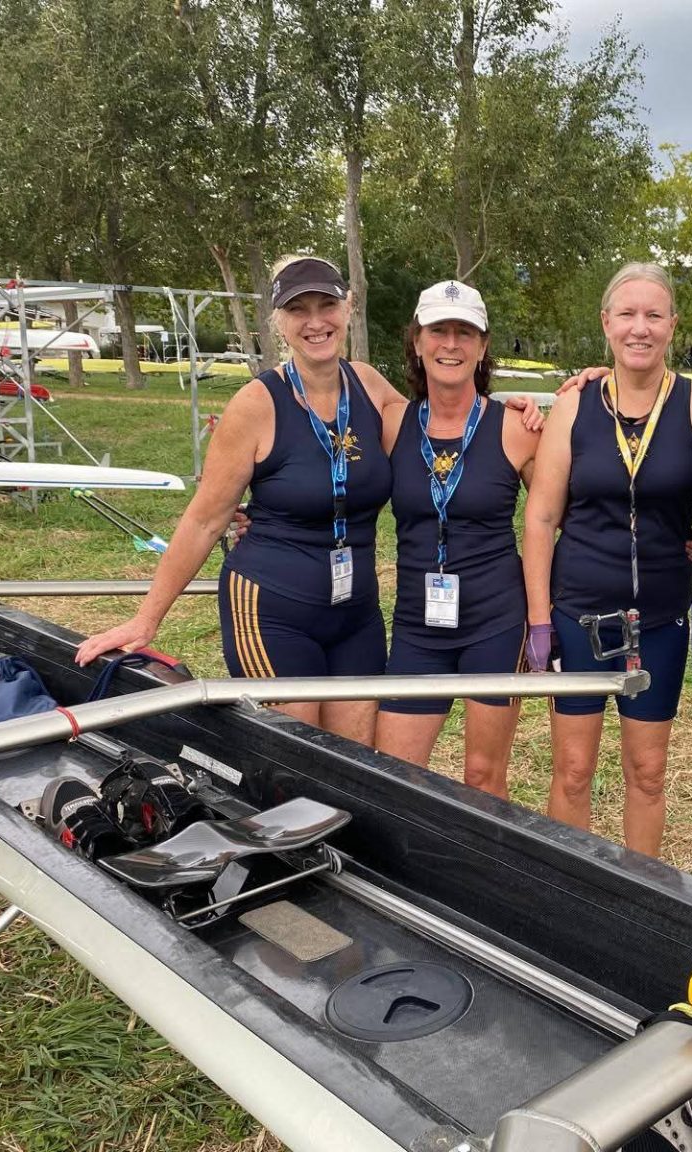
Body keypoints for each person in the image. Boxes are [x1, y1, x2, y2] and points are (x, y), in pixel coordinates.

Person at [74, 255, 404, 744]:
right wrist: (146, 620)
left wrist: (511, 409)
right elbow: (205, 520)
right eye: (298, 310)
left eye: (327, 305)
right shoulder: (255, 405)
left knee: (357, 761)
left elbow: (443, 430)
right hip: (271, 609)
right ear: (278, 322)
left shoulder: (369, 385)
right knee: (299, 757)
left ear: (349, 307)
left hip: (357, 611)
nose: (315, 322)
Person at [522, 263, 692, 856]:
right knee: (573, 770)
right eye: (628, 315)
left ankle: (638, 892)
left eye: (654, 315)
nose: (641, 328)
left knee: (648, 772)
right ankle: (571, 891)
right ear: (606, 323)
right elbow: (540, 518)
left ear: (673, 325)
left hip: (660, 619)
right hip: (579, 615)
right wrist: (539, 619)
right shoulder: (575, 405)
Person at [376, 281, 541, 798]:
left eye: (465, 332)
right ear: (417, 341)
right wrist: (256, 513)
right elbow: (337, 483)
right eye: (439, 330)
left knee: (483, 777)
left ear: (483, 345)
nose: (451, 344)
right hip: (417, 626)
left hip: (495, 622)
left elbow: (566, 512)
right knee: (394, 774)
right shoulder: (391, 423)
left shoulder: (516, 427)